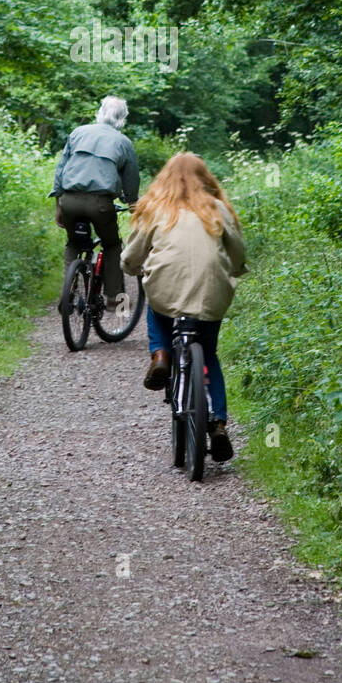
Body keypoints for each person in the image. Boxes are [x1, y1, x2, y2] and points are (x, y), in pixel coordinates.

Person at [120, 152, 246, 462]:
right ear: (204, 178)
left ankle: (161, 354)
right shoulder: (217, 209)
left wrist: (132, 267)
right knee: (210, 354)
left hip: (167, 291)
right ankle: (217, 423)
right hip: (210, 294)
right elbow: (238, 251)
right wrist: (238, 268)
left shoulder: (156, 208)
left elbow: (131, 256)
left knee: (157, 305)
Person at [51, 96, 140, 310]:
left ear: (100, 112)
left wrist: (58, 205)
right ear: (122, 119)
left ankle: (68, 292)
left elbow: (61, 170)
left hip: (69, 199)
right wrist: (131, 202)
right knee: (111, 245)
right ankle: (113, 299)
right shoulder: (123, 142)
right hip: (100, 203)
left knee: (73, 243)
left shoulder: (78, 133)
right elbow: (131, 178)